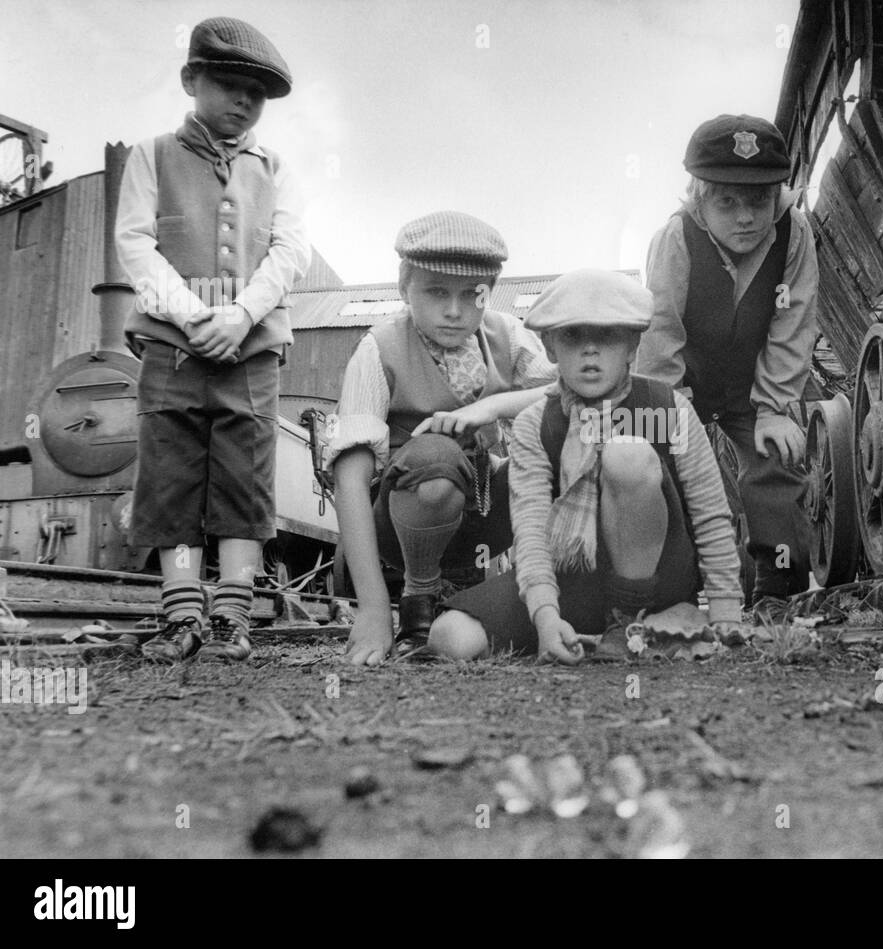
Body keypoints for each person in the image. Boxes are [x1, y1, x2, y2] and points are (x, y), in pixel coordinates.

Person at [429, 269, 744, 664]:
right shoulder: (535, 422)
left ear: (632, 346)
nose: (590, 351)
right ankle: (588, 633)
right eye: (573, 336)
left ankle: (630, 621)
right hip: (573, 581)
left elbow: (711, 516)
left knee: (626, 453)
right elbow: (530, 530)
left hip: (659, 578)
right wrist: (545, 617)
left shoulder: (667, 408)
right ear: (549, 347)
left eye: (608, 335)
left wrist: (727, 614)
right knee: (450, 638)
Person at [116, 17, 309, 661]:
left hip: (250, 352)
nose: (244, 102)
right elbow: (136, 242)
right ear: (190, 79)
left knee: (243, 478)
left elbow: (290, 250)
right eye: (229, 85)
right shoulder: (152, 155)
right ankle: (179, 617)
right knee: (170, 475)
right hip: (172, 349)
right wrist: (194, 316)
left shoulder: (276, 168)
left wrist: (242, 316)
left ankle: (232, 616)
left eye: (257, 94)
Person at [327, 212, 557, 667]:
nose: (455, 311)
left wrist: (488, 408)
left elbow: (571, 393)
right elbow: (349, 479)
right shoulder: (378, 349)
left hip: (484, 514)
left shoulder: (508, 334)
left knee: (564, 438)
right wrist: (373, 610)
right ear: (404, 286)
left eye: (472, 294)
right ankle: (418, 601)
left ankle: (555, 596)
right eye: (436, 292)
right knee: (435, 456)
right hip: (404, 518)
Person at [637, 115, 819, 622]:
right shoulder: (676, 237)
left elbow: (794, 320)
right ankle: (669, 590)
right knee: (659, 467)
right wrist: (667, 411)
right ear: (699, 197)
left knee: (776, 459)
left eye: (759, 201)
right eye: (727, 203)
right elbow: (660, 329)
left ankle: (777, 590)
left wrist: (776, 407)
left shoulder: (794, 233)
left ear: (779, 194)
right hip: (682, 383)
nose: (746, 217)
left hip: (752, 383)